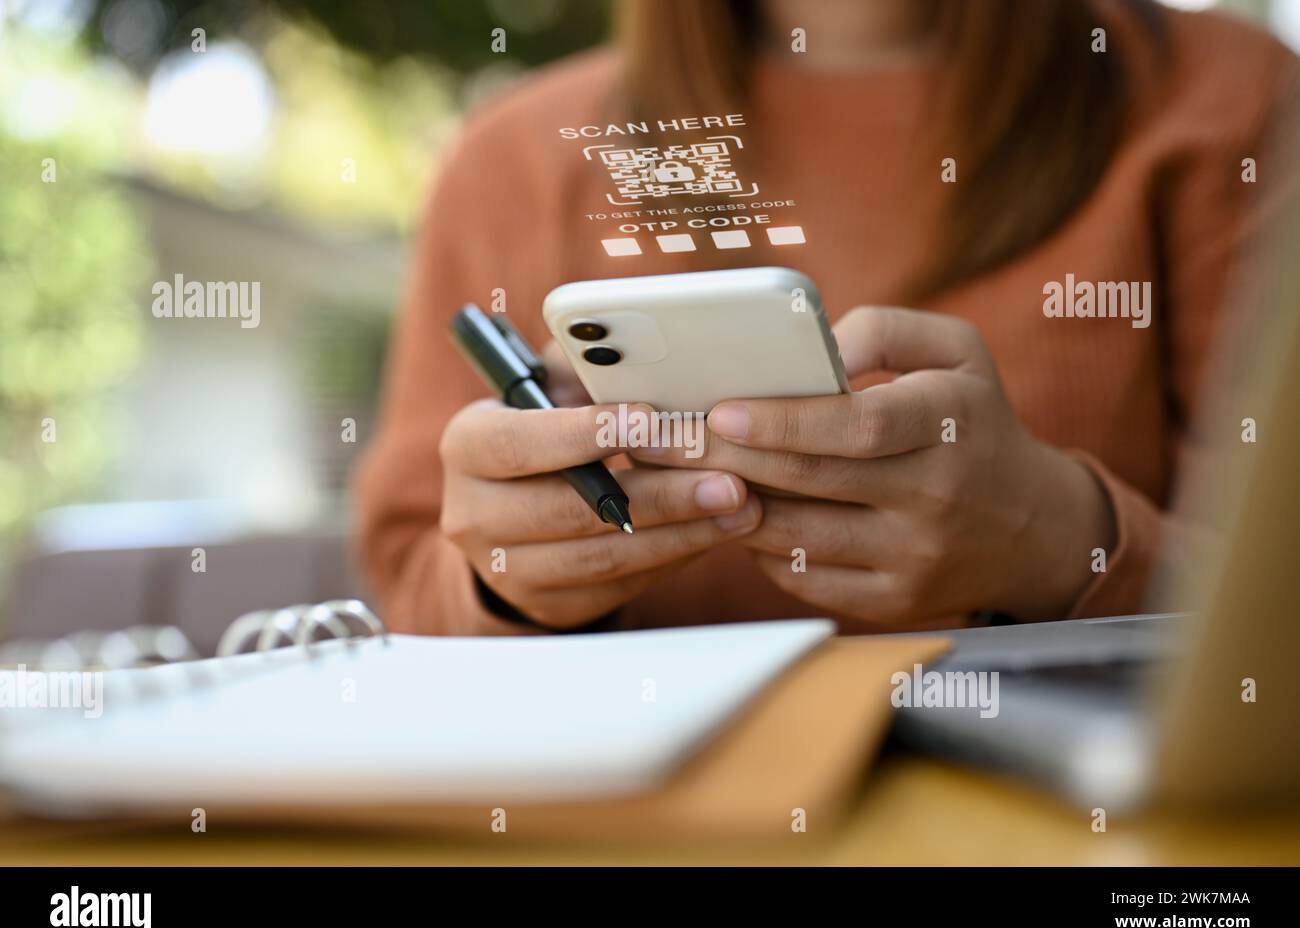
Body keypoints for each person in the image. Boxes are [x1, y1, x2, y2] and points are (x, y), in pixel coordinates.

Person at [354, 0, 1299, 635]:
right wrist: (504, 588)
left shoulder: (1229, 101)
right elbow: (406, 590)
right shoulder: (513, 161)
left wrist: (1064, 540)